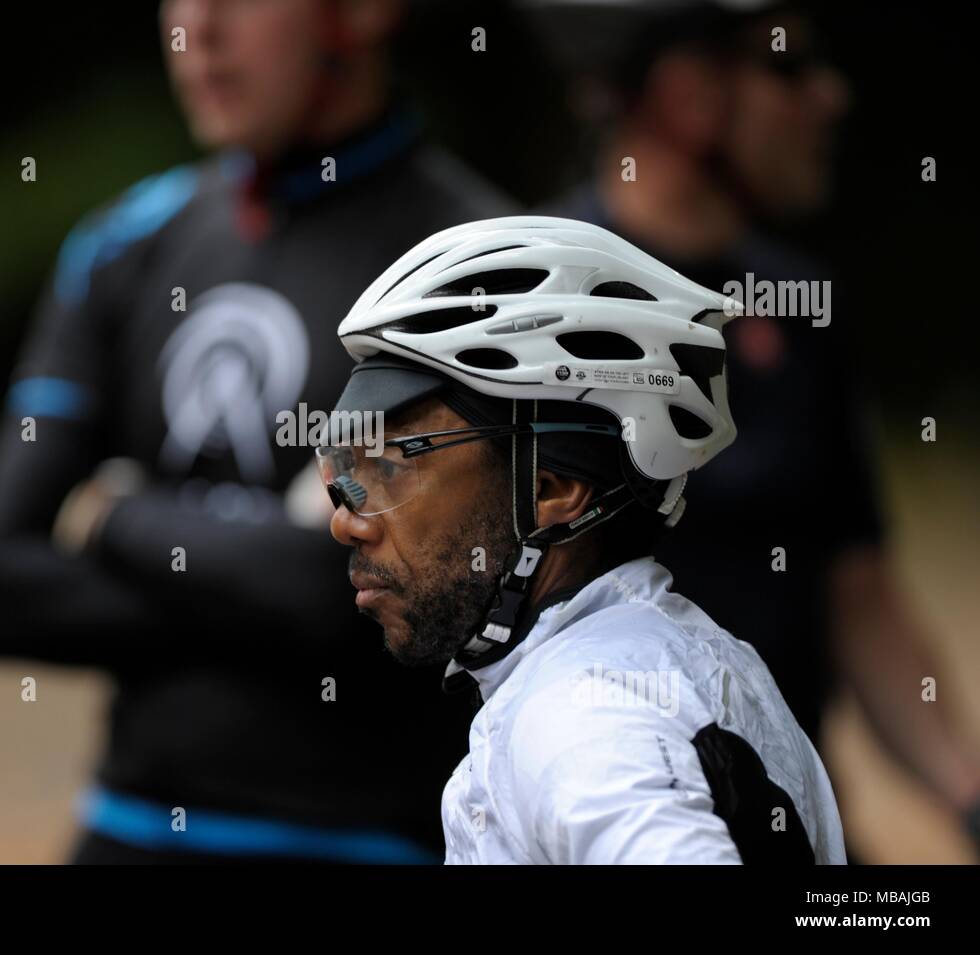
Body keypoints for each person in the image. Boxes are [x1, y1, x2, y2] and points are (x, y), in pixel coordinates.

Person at [0, 0, 515, 863]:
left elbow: (359, 611)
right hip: (127, 831)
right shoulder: (124, 244)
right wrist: (274, 563)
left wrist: (117, 518)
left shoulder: (477, 261)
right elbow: (5, 587)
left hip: (370, 842)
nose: (199, 29)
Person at [528, 0, 980, 855]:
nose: (830, 96)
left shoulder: (798, 307)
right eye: (788, 65)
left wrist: (968, 794)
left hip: (780, 825)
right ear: (691, 93)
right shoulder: (537, 297)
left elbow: (859, 598)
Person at [318, 216, 846, 863]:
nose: (347, 518)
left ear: (551, 486)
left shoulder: (583, 715)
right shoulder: (660, 661)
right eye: (343, 464)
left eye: (394, 461)